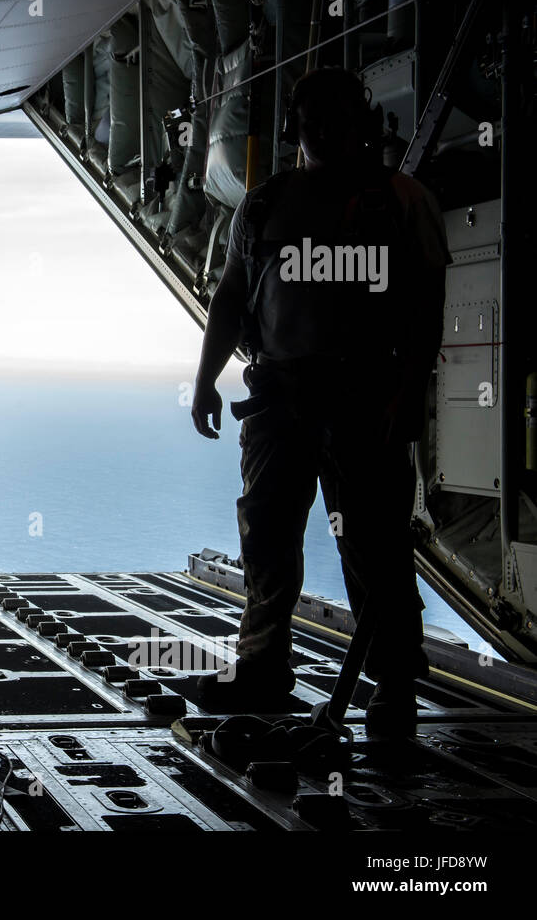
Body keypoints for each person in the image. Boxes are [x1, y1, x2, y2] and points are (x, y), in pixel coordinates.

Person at [190, 66, 450, 738]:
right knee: (270, 534)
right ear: (296, 129)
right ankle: (263, 666)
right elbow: (229, 297)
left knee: (374, 544)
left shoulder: (401, 201)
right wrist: (204, 380)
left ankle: (393, 686)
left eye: (339, 122)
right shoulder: (267, 204)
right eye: (317, 123)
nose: (328, 135)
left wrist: (408, 394)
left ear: (362, 126)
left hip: (364, 396)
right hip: (283, 394)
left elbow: (426, 310)